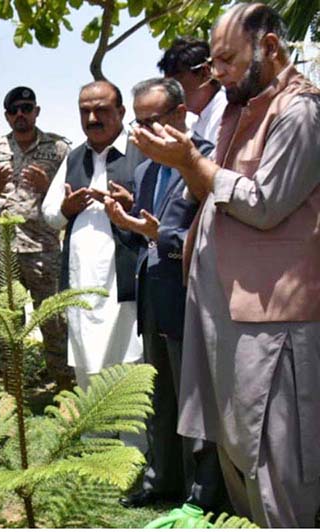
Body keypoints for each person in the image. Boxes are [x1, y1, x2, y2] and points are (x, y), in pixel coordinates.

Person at [130, 3, 320, 526]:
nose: (216, 73)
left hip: (272, 323)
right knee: (239, 454)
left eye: (227, 60)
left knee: (278, 464)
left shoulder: (300, 113)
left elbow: (265, 204)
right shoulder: (243, 108)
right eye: (213, 62)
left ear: (270, 47)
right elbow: (212, 194)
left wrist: (191, 161)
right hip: (226, 315)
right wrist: (182, 163)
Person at [105, 78, 224, 512]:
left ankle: (201, 495)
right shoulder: (145, 170)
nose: (143, 133)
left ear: (179, 114)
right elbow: (145, 235)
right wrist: (125, 219)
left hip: (191, 296)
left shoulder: (207, 158)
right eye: (137, 124)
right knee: (159, 396)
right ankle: (161, 482)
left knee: (195, 402)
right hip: (153, 297)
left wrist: (162, 235)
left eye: (151, 121)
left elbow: (210, 231)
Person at [41, 80, 145, 391]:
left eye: (101, 110)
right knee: (86, 358)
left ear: (121, 112)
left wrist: (133, 205)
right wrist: (67, 207)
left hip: (125, 281)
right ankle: (93, 422)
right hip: (81, 282)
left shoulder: (142, 150)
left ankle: (132, 425)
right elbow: (50, 214)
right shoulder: (74, 157)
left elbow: (165, 209)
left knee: (129, 361)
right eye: (84, 111)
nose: (92, 119)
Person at [0, 86, 71, 389]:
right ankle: (14, 392)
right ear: (7, 116)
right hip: (3, 252)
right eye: (14, 110)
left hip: (44, 250)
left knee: (54, 322)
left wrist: (48, 187)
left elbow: (69, 200)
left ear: (36, 111)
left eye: (26, 108)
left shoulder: (58, 149)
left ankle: (64, 387)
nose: (20, 114)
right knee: (9, 325)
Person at [157, 37, 228, 145]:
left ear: (205, 73)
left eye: (176, 81)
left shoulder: (228, 113)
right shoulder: (195, 122)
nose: (170, 91)